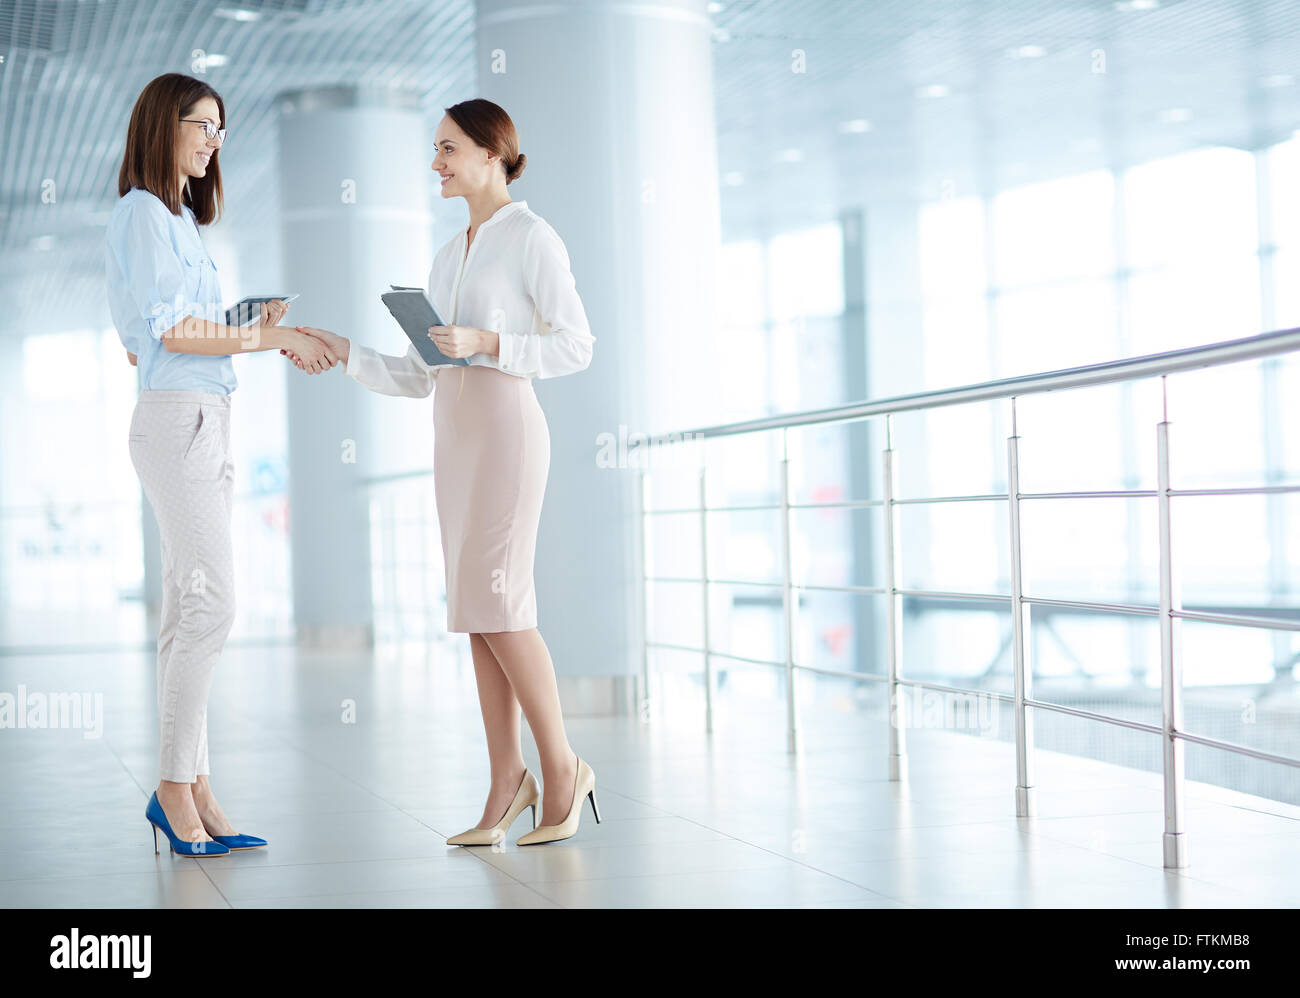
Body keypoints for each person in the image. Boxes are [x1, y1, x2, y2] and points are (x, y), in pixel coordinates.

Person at [287, 99, 600, 846]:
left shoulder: (532, 238)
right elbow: (422, 373)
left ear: (493, 152)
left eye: (449, 148)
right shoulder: (446, 254)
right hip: (452, 439)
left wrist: (489, 339)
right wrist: (345, 350)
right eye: (435, 149)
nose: (437, 163)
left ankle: (561, 770)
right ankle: (505, 780)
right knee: (474, 612)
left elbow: (577, 345)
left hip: (506, 434)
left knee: (503, 603)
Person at [106, 72, 337, 856]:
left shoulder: (174, 222)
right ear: (162, 125)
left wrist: (245, 322)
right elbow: (168, 337)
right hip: (180, 421)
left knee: (188, 610)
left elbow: (152, 333)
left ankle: (196, 784)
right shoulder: (142, 213)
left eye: (220, 130)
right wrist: (269, 337)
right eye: (202, 125)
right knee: (214, 607)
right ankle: (174, 787)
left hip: (201, 417)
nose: (213, 141)